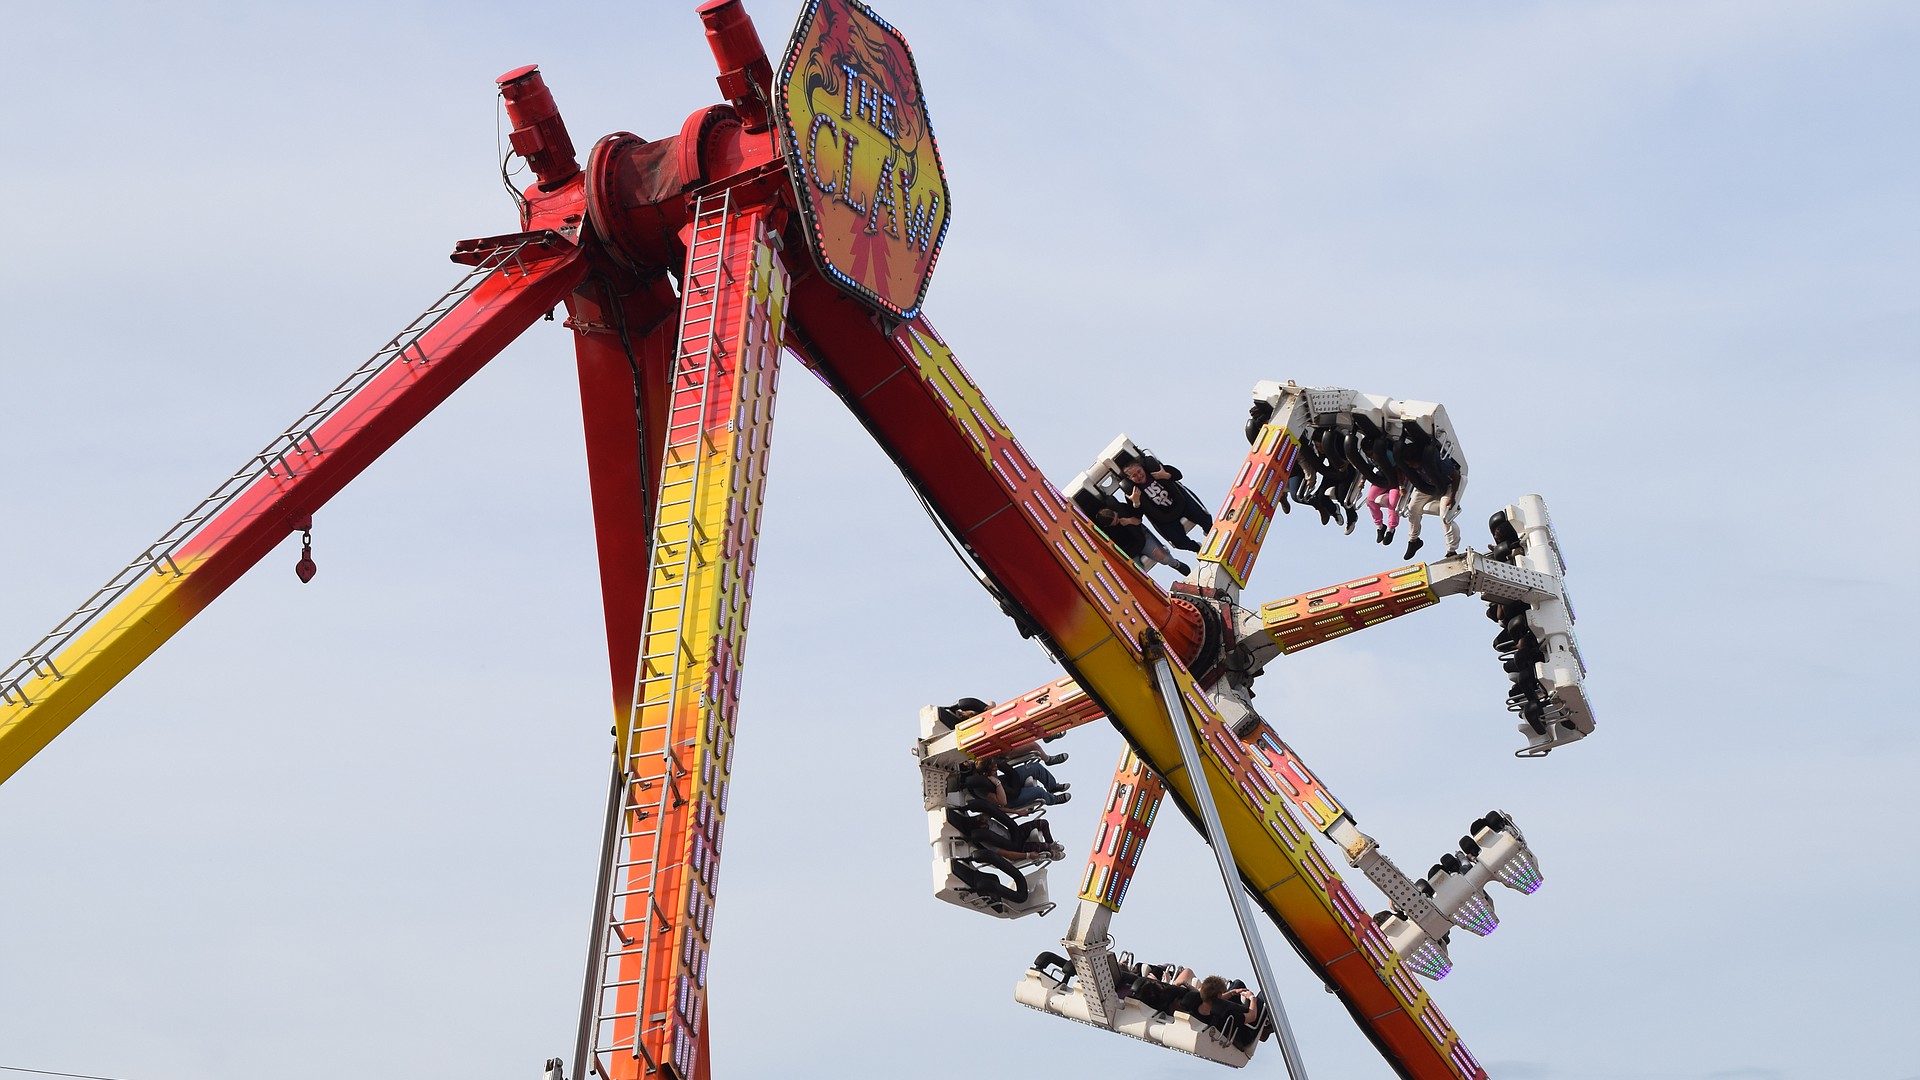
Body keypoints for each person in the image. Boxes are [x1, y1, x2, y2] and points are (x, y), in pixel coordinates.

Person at [1115, 450, 1214, 554]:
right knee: (1179, 543)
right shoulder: (1132, 493)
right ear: (1130, 478)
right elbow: (1138, 517)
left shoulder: (1156, 470)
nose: (1139, 476)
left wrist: (1166, 475)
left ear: (1142, 468)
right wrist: (1136, 503)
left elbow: (1178, 475)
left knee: (1203, 517)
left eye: (1139, 471)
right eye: (1134, 475)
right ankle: (1197, 548)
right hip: (1164, 518)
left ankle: (1209, 531)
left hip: (1180, 503)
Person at [1094, 505, 1192, 577]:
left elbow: (1138, 519)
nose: (1118, 520)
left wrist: (1129, 521)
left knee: (1163, 557)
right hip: (1129, 551)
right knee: (1140, 574)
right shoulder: (1105, 531)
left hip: (1141, 538)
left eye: (1117, 517)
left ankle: (1175, 564)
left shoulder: (1121, 508)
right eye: (1115, 522)